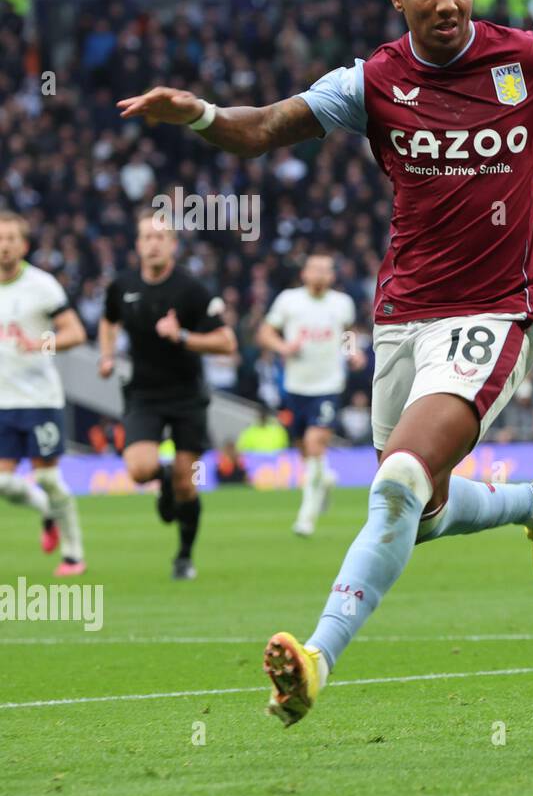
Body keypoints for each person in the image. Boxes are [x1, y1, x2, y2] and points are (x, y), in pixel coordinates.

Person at [116, 0, 533, 728]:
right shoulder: (373, 81)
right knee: (424, 509)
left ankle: (316, 657)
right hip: (403, 316)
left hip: (500, 310)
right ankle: (532, 506)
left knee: (397, 482)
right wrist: (199, 112)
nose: (447, 3)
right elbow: (263, 127)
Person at [99, 210, 238, 580]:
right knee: (139, 469)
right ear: (137, 244)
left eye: (160, 237)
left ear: (174, 245)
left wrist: (182, 337)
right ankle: (160, 478)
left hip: (187, 396)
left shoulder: (191, 290)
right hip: (143, 393)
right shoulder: (122, 285)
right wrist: (107, 355)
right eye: (146, 237)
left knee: (186, 484)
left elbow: (227, 343)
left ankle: (184, 556)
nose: (153, 243)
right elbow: (109, 319)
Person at [0, 210, 88, 576]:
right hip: (2, 402)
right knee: (3, 483)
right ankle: (47, 512)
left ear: (24, 245)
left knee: (49, 477)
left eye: (11, 240)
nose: (3, 247)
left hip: (39, 399)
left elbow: (76, 334)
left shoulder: (43, 285)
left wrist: (40, 344)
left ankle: (73, 555)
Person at [257, 251, 365, 536]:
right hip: (295, 387)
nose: (319, 274)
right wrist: (283, 348)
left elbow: (347, 333)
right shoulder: (288, 300)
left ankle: (307, 516)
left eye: (325, 270)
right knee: (304, 449)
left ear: (332, 276)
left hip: (328, 386)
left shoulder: (342, 303)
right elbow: (265, 333)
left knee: (315, 443)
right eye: (314, 269)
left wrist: (352, 353)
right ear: (304, 273)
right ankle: (325, 479)